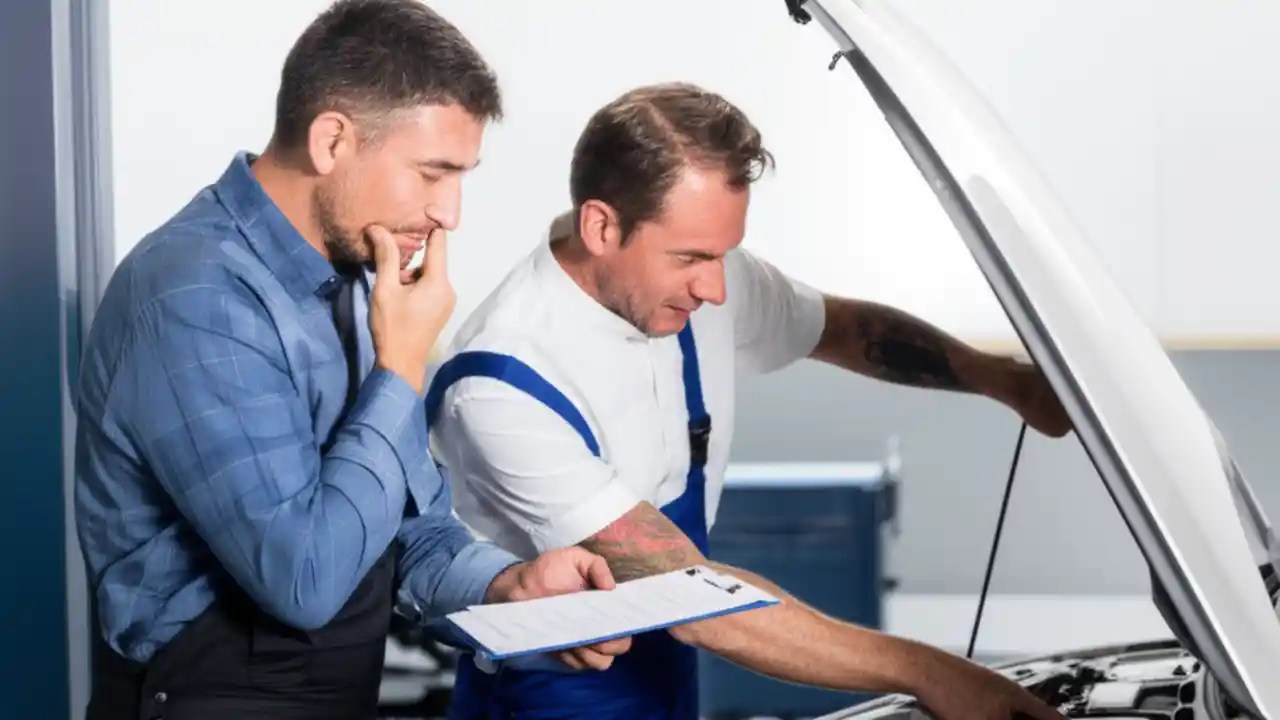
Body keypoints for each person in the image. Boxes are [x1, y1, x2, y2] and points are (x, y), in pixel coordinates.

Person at [427, 82, 1073, 720]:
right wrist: (931, 674)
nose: (715, 286)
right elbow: (685, 593)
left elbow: (844, 330)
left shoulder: (703, 280)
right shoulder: (497, 382)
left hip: (671, 678)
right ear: (601, 226)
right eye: (693, 258)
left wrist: (1006, 381)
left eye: (725, 253)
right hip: (547, 700)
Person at [74, 2, 628, 718]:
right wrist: (400, 369)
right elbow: (302, 578)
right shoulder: (194, 294)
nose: (450, 212)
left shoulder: (361, 282)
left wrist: (510, 587)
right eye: (433, 173)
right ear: (332, 140)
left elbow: (415, 530)